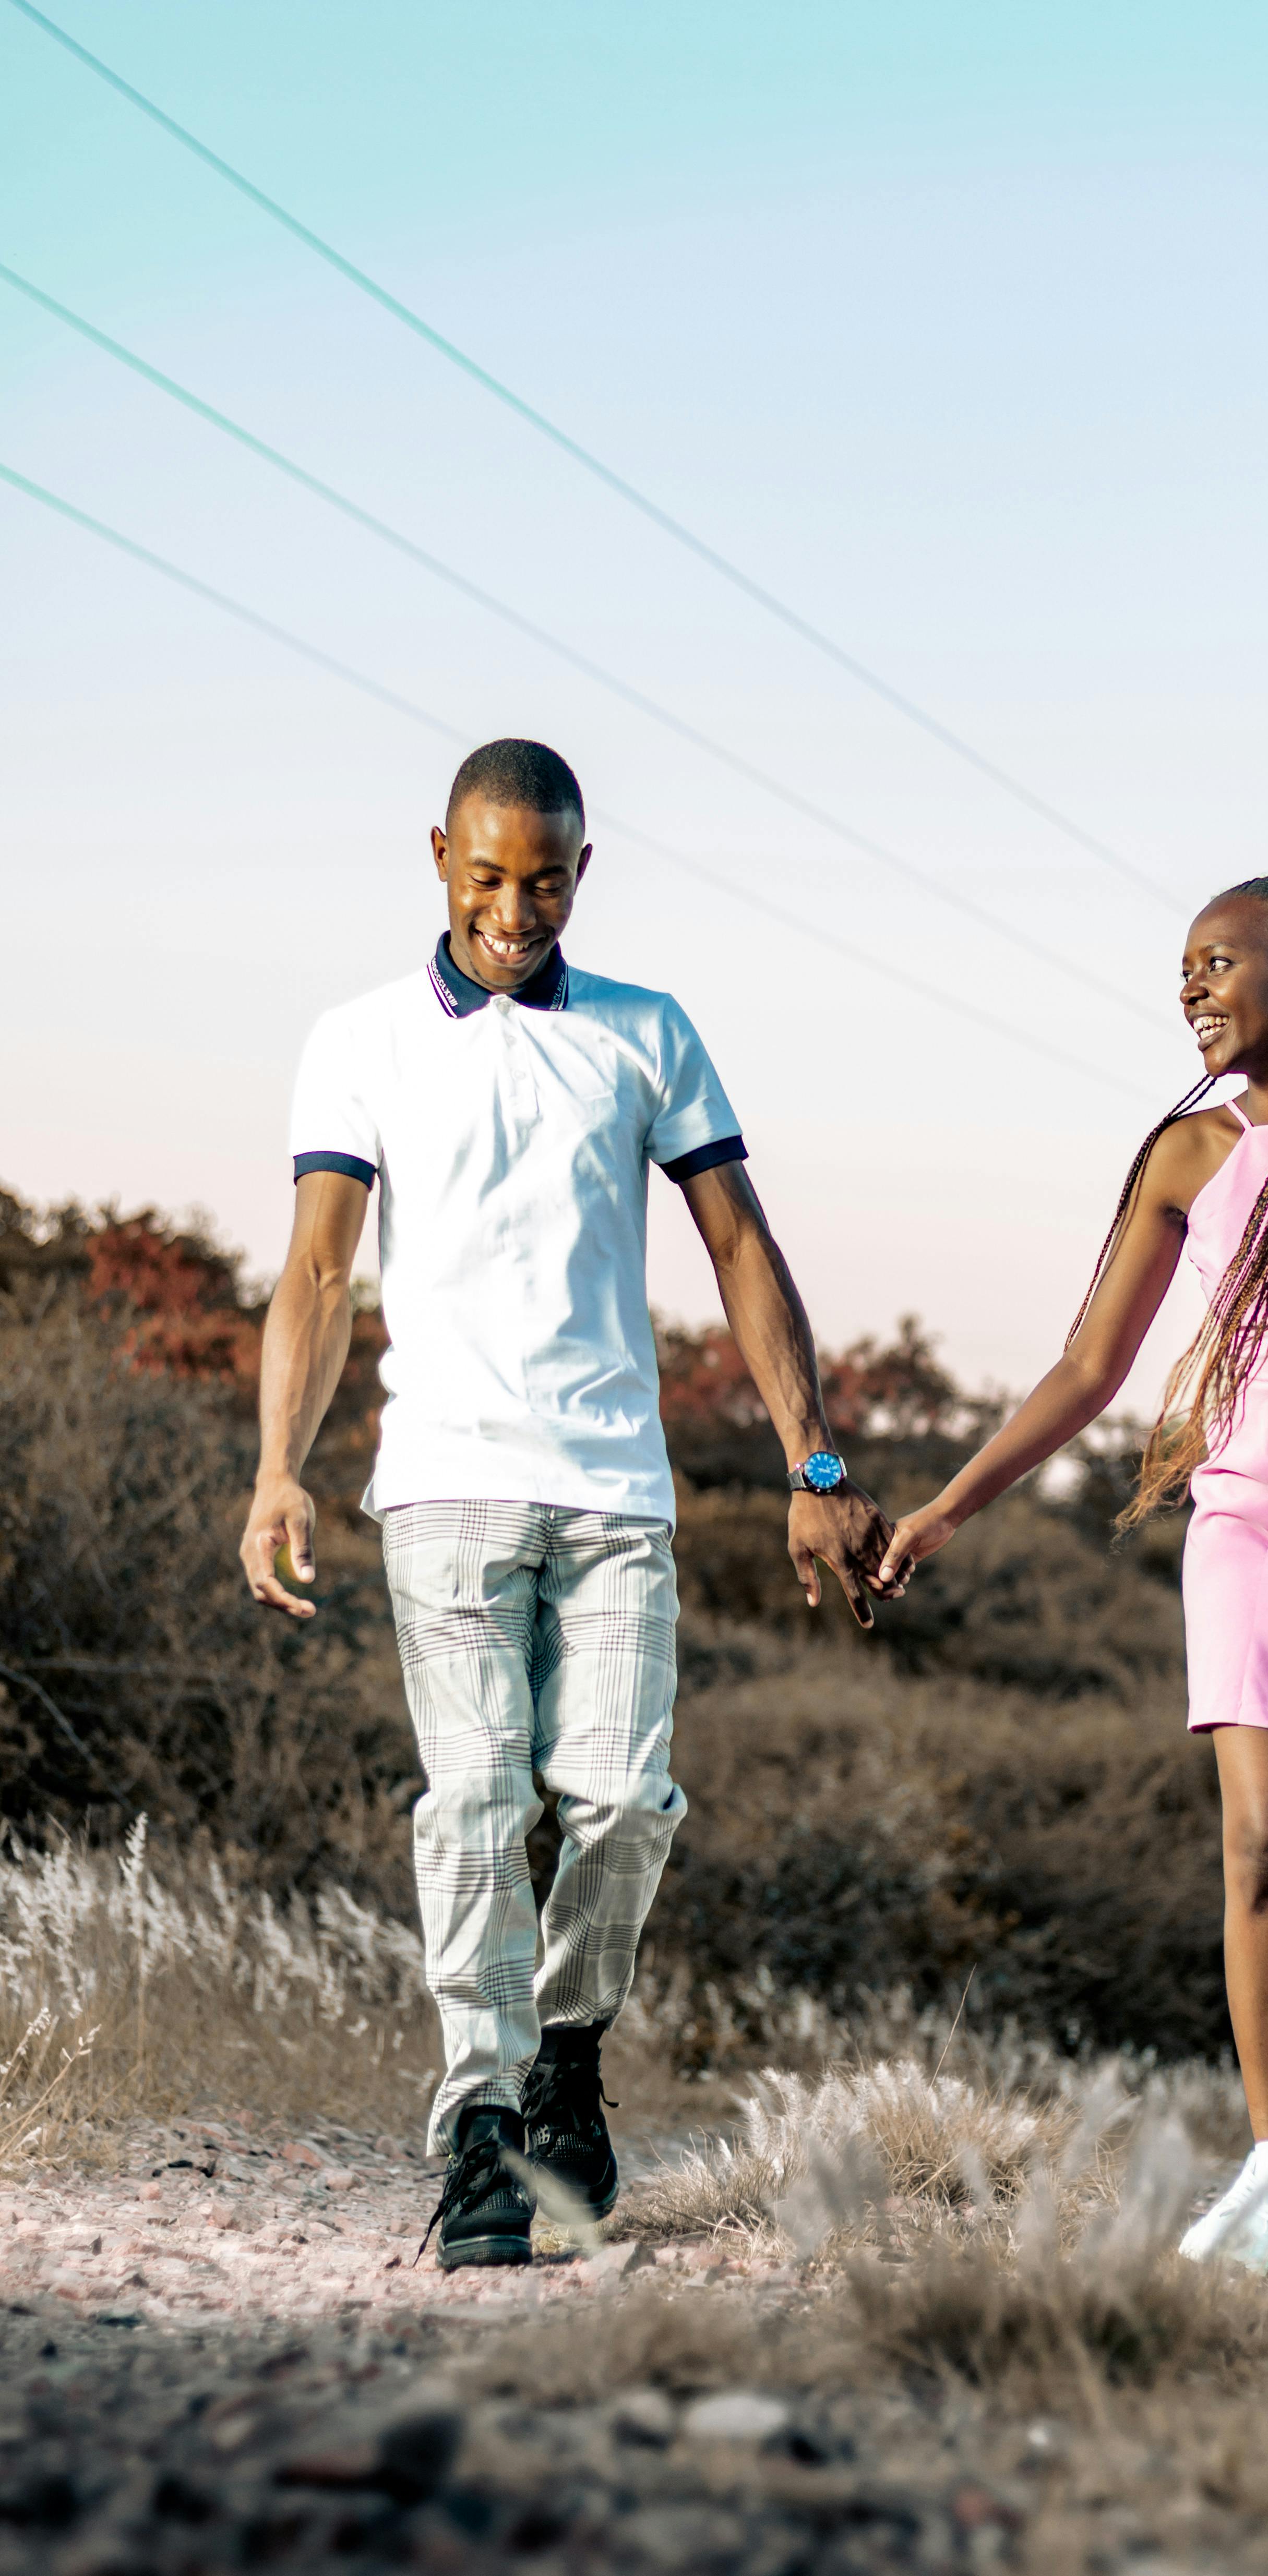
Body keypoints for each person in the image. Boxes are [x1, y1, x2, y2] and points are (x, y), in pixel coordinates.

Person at [241, 737, 899, 2269]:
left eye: (545, 879)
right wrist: (281, 1463)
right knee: (474, 1798)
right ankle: (476, 2129)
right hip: (446, 1486)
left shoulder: (647, 1033)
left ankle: (569, 2064)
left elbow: (741, 1246)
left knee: (619, 1799)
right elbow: (322, 1270)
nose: (515, 907)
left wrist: (813, 1465)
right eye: (487, 876)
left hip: (614, 1489)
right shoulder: (358, 1040)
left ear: (582, 872)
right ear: (438, 857)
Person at [878, 873, 1268, 2272]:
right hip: (1251, 1537)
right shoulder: (1187, 1154)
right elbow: (1090, 1368)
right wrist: (948, 1509)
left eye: (1222, 961)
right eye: (1184, 969)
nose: (1194, 988)